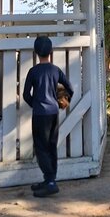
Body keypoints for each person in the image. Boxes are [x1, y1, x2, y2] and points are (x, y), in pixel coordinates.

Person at [22, 35, 74, 197]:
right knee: (51, 145)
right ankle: (49, 180)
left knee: (41, 147)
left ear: (36, 52)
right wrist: (63, 102)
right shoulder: (55, 70)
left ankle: (50, 181)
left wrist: (36, 104)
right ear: (51, 52)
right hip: (53, 113)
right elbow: (70, 88)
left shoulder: (33, 72)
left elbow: (25, 95)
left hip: (40, 114)